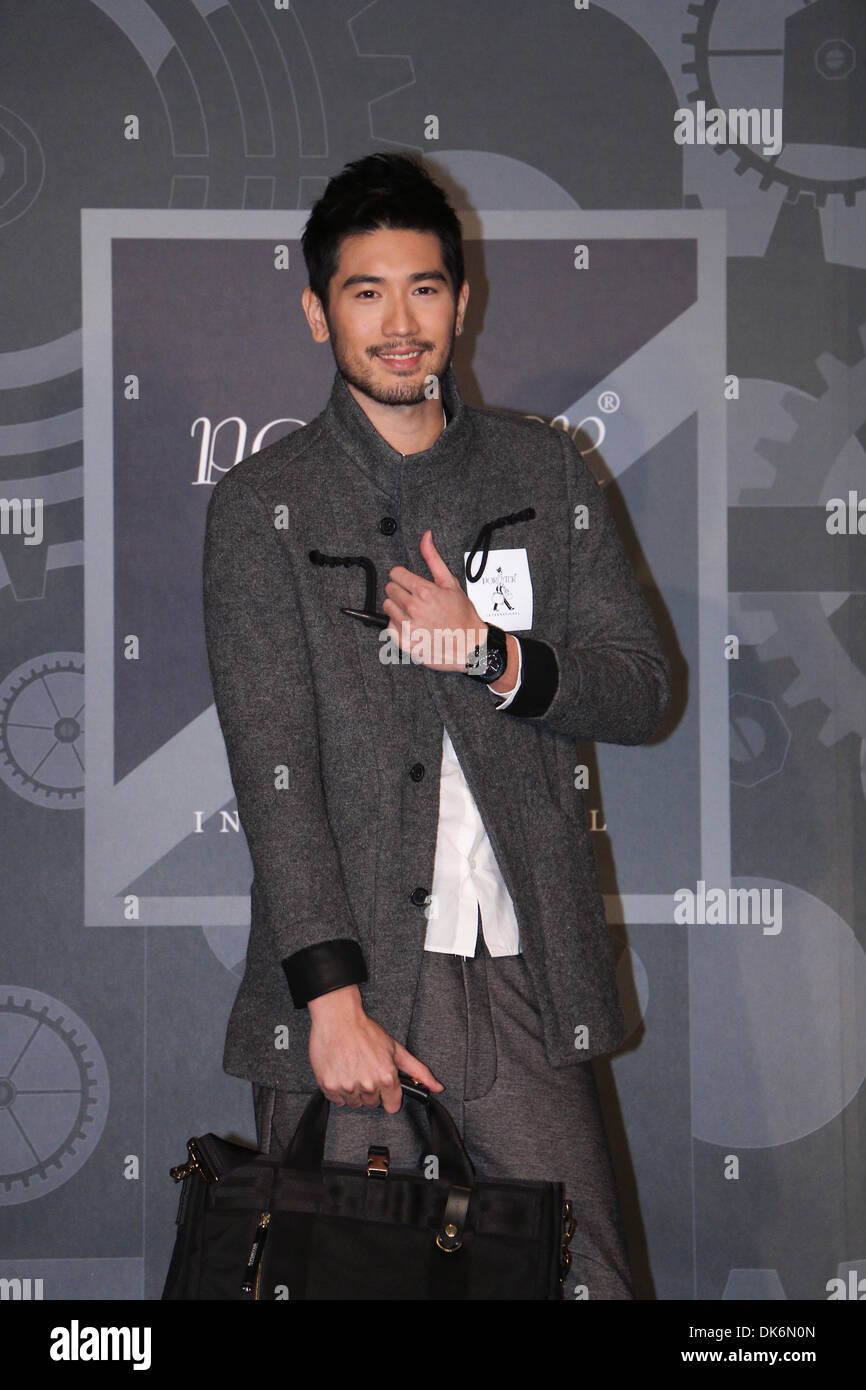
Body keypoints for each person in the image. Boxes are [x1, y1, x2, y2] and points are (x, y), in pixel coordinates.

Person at [202, 152, 671, 1299]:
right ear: (318, 310)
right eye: (366, 291)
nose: (400, 322)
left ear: (461, 301)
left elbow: (643, 686)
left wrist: (492, 654)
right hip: (356, 988)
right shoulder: (265, 504)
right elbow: (274, 770)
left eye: (423, 288)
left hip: (517, 968)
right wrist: (330, 1003)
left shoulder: (542, 470)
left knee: (587, 1280)